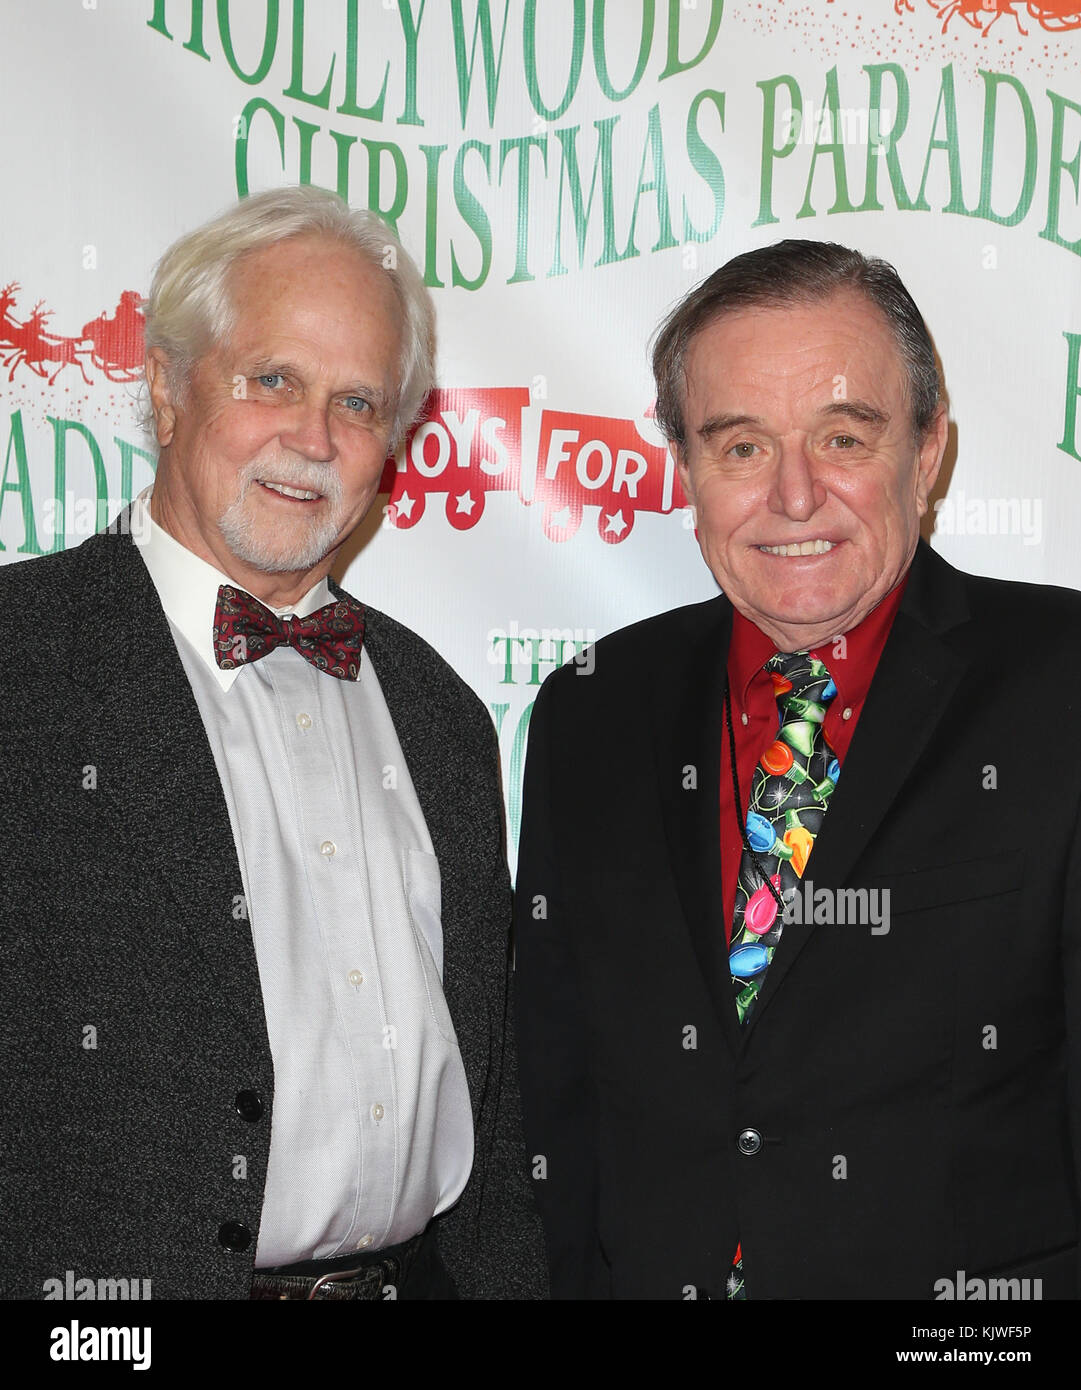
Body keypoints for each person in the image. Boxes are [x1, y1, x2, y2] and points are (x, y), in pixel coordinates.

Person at [0, 186, 544, 1301]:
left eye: (357, 401)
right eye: (273, 379)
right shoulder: (21, 662)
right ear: (164, 386)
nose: (313, 438)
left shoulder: (438, 711)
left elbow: (490, 1095)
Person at [513, 239, 1081, 1301]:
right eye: (739, 447)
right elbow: (553, 1086)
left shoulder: (1062, 688)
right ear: (686, 470)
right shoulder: (592, 705)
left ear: (926, 453)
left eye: (841, 437)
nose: (792, 494)